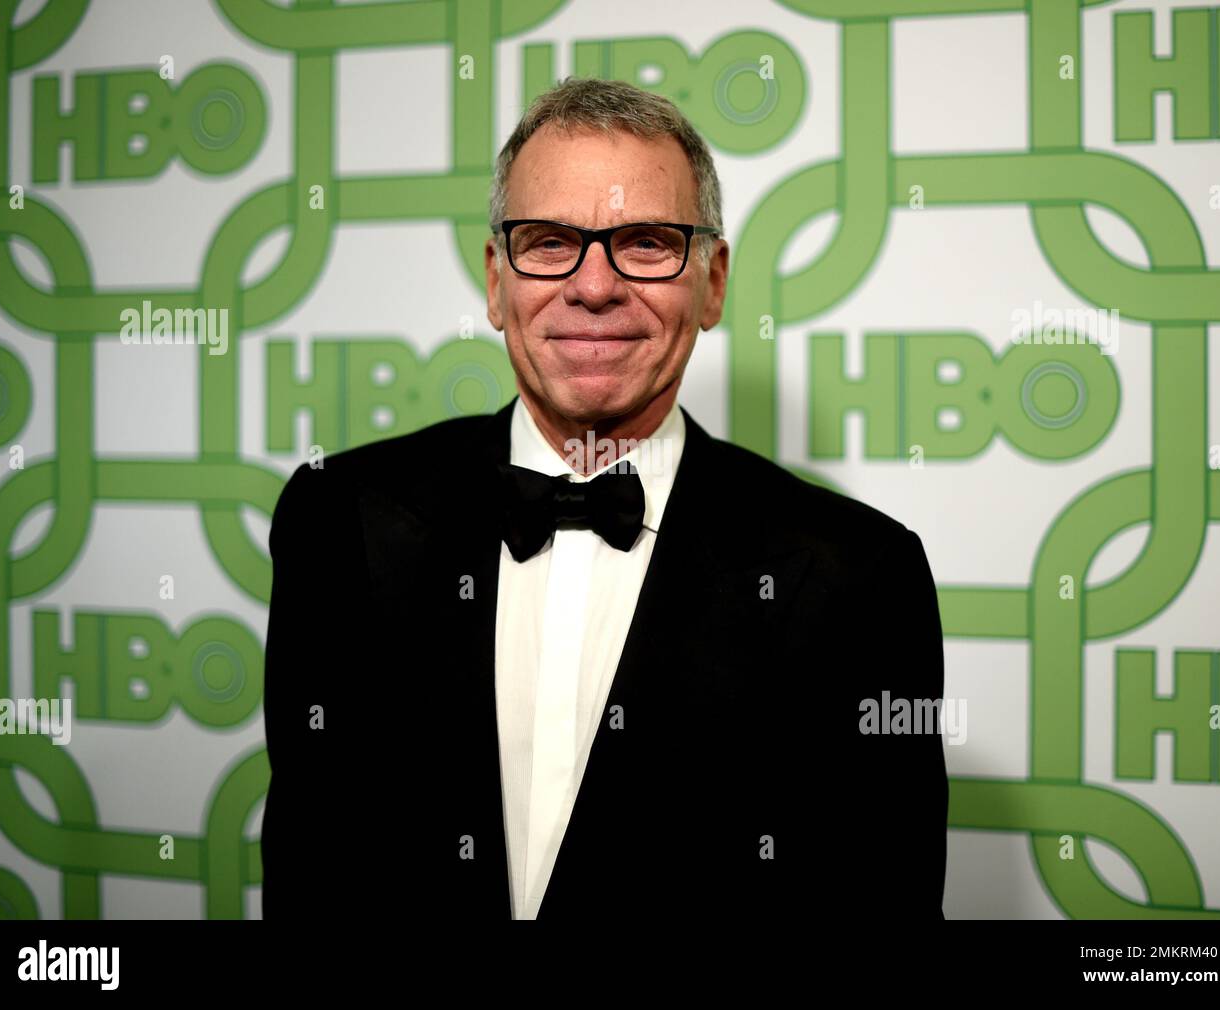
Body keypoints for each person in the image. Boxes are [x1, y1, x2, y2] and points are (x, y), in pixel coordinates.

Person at [260, 76, 948, 921]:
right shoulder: (340, 520)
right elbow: (311, 877)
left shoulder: (858, 575)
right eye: (549, 241)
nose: (593, 287)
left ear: (713, 281)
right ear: (495, 280)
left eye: (647, 242)